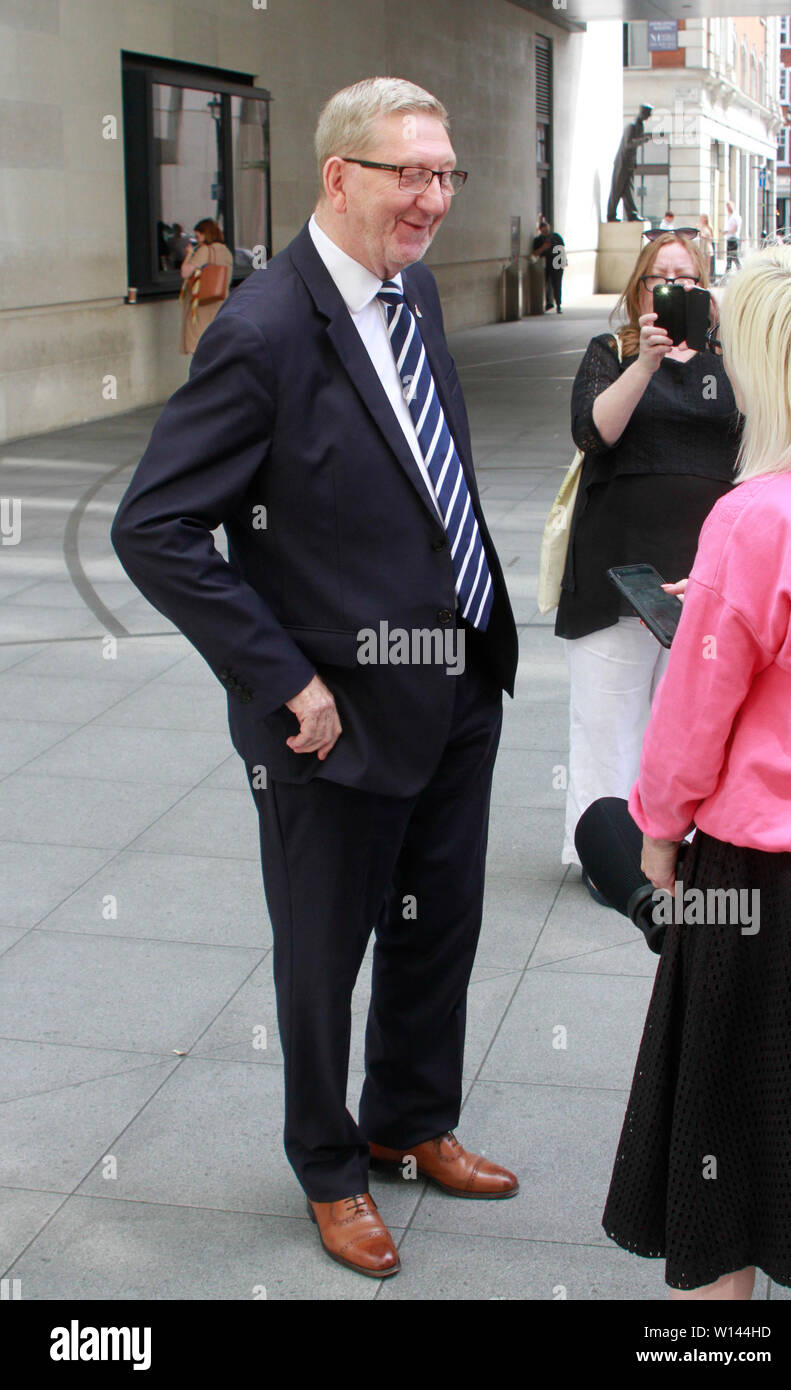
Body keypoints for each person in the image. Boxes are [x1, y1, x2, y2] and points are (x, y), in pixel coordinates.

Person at [110, 77, 519, 1281]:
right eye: (411, 175)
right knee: (321, 953)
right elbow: (156, 527)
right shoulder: (263, 328)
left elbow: (416, 476)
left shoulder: (415, 292)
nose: (434, 200)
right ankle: (330, 1166)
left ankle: (408, 1117)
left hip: (451, 683)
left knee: (437, 927)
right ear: (339, 176)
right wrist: (285, 679)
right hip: (327, 721)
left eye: (445, 175)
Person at [602, 243, 791, 1298]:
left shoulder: (751, 518)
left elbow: (695, 713)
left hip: (759, 879)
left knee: (715, 1166)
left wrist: (653, 830)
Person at [554, 231, 741, 883]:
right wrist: (646, 362)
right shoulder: (609, 354)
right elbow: (592, 431)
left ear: (706, 290)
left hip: (706, 576)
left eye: (686, 279)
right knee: (607, 717)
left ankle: (675, 849)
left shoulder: (734, 363)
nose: (672, 288)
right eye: (658, 278)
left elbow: (764, 437)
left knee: (690, 724)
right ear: (637, 291)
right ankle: (603, 854)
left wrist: (730, 340)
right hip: (618, 569)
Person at [179, 218, 233, 354]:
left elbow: (185, 272)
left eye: (198, 236)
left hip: (203, 302)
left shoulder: (205, 250)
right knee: (217, 344)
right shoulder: (226, 252)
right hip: (221, 301)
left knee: (198, 343)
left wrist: (189, 255)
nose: (197, 240)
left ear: (206, 234)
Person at [533, 217, 566, 313]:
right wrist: (543, 247)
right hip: (545, 265)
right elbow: (535, 253)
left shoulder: (556, 237)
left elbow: (562, 249)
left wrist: (563, 262)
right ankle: (547, 303)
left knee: (557, 284)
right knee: (545, 284)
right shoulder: (538, 240)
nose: (545, 231)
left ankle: (558, 304)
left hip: (557, 264)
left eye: (546, 228)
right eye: (543, 229)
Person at [724, 200, 742, 273]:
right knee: (732, 257)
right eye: (727, 207)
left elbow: (735, 228)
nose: (728, 209)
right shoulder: (732, 216)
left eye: (729, 207)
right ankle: (737, 269)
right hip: (731, 238)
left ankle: (730, 271)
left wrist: (727, 232)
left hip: (733, 239)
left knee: (731, 256)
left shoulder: (735, 217)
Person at [698, 212, 715, 283]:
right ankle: (702, 278)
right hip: (702, 246)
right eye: (703, 217)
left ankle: (707, 279)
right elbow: (698, 235)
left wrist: (706, 237)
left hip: (708, 245)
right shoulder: (699, 226)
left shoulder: (709, 227)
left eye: (705, 217)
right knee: (702, 263)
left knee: (708, 264)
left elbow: (711, 237)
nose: (704, 219)